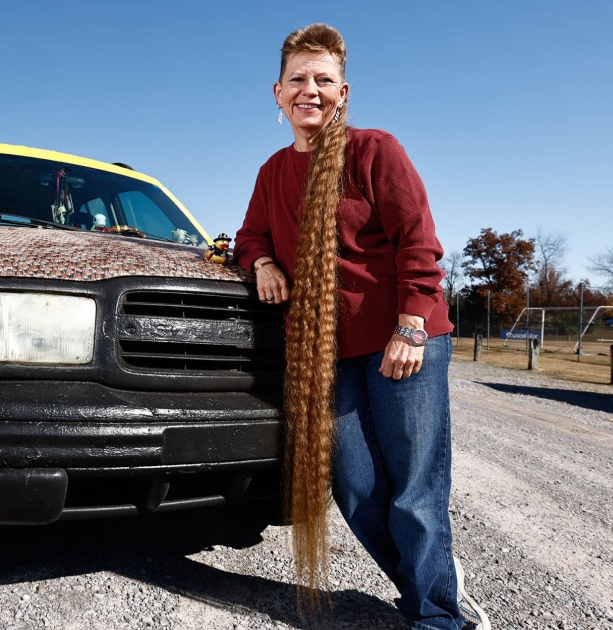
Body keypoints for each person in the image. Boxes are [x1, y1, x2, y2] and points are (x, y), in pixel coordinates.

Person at [233, 23, 490, 630]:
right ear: (276, 92)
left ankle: (436, 615)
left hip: (408, 341)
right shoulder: (273, 172)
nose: (310, 90)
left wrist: (411, 328)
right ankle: (428, 585)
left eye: (323, 80)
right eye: (298, 79)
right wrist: (263, 261)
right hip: (332, 352)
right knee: (353, 485)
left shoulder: (376, 151)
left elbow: (419, 245)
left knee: (415, 487)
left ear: (344, 92)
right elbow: (249, 235)